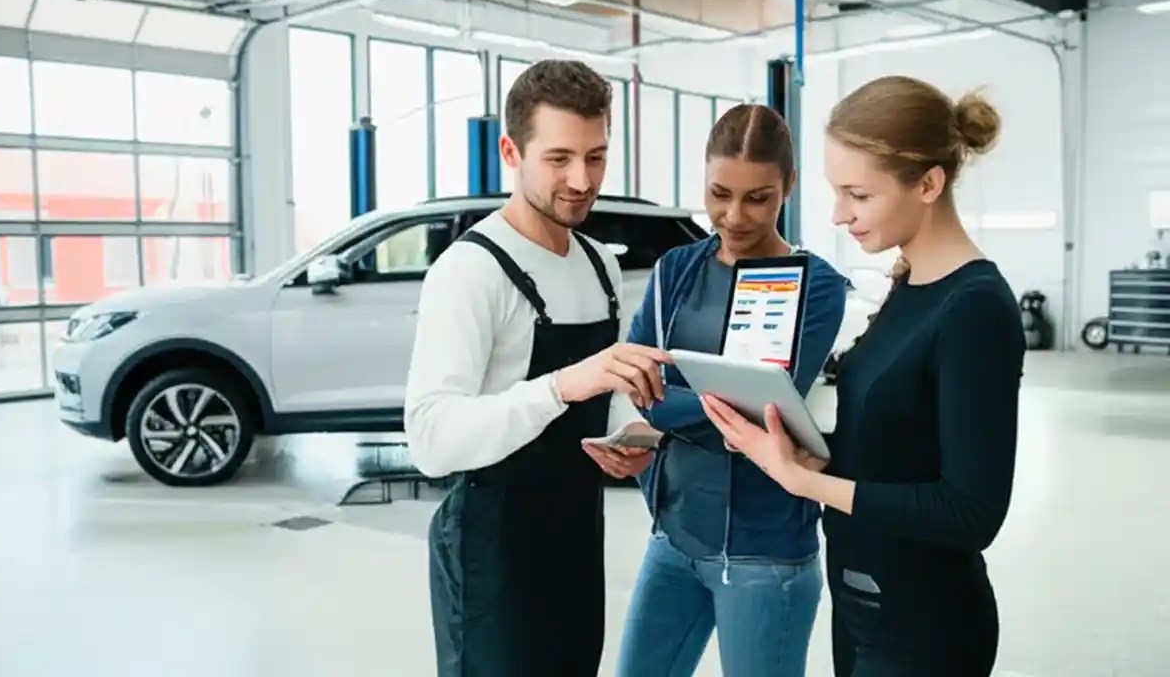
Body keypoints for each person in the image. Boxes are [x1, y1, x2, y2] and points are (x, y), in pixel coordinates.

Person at [701, 75, 1026, 677]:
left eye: (858, 194)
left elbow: (971, 513)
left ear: (928, 184)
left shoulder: (976, 308)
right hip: (862, 610)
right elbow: (897, 455)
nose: (838, 213)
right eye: (835, 191)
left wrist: (805, 483)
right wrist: (805, 454)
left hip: (925, 627)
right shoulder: (907, 286)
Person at [403, 59, 669, 677]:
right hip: (492, 548)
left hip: (578, 532)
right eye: (559, 159)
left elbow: (611, 396)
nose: (581, 179)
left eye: (596, 157)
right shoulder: (471, 272)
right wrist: (560, 386)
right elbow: (432, 440)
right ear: (511, 151)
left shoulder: (601, 264)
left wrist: (630, 442)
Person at [615, 104, 848, 677]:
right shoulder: (675, 271)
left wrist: (677, 403)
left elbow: (764, 412)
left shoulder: (816, 286)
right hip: (674, 536)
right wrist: (713, 412)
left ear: (789, 186)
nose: (734, 215)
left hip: (764, 551)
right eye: (719, 193)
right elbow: (643, 390)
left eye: (758, 198)